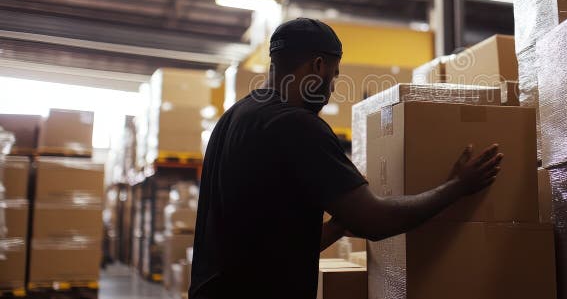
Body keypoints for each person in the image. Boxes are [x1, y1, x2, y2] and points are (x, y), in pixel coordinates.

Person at [190, 18, 503, 299]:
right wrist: (458, 186)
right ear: (317, 66)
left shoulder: (232, 120)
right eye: (334, 74)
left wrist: (342, 218)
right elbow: (376, 221)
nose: (333, 87)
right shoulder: (296, 125)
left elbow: (274, 245)